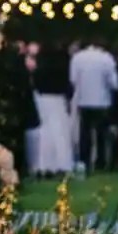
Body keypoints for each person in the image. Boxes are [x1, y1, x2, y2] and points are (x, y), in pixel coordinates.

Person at [70, 39, 118, 174]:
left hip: (83, 99)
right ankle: (101, 161)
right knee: (101, 132)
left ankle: (84, 160)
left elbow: (73, 79)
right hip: (102, 100)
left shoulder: (78, 58)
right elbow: (114, 83)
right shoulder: (106, 58)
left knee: (85, 132)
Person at [29, 42, 73, 177]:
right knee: (60, 132)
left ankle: (43, 164)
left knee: (45, 133)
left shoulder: (39, 70)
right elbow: (69, 86)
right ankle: (62, 163)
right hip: (58, 100)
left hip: (42, 100)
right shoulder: (62, 69)